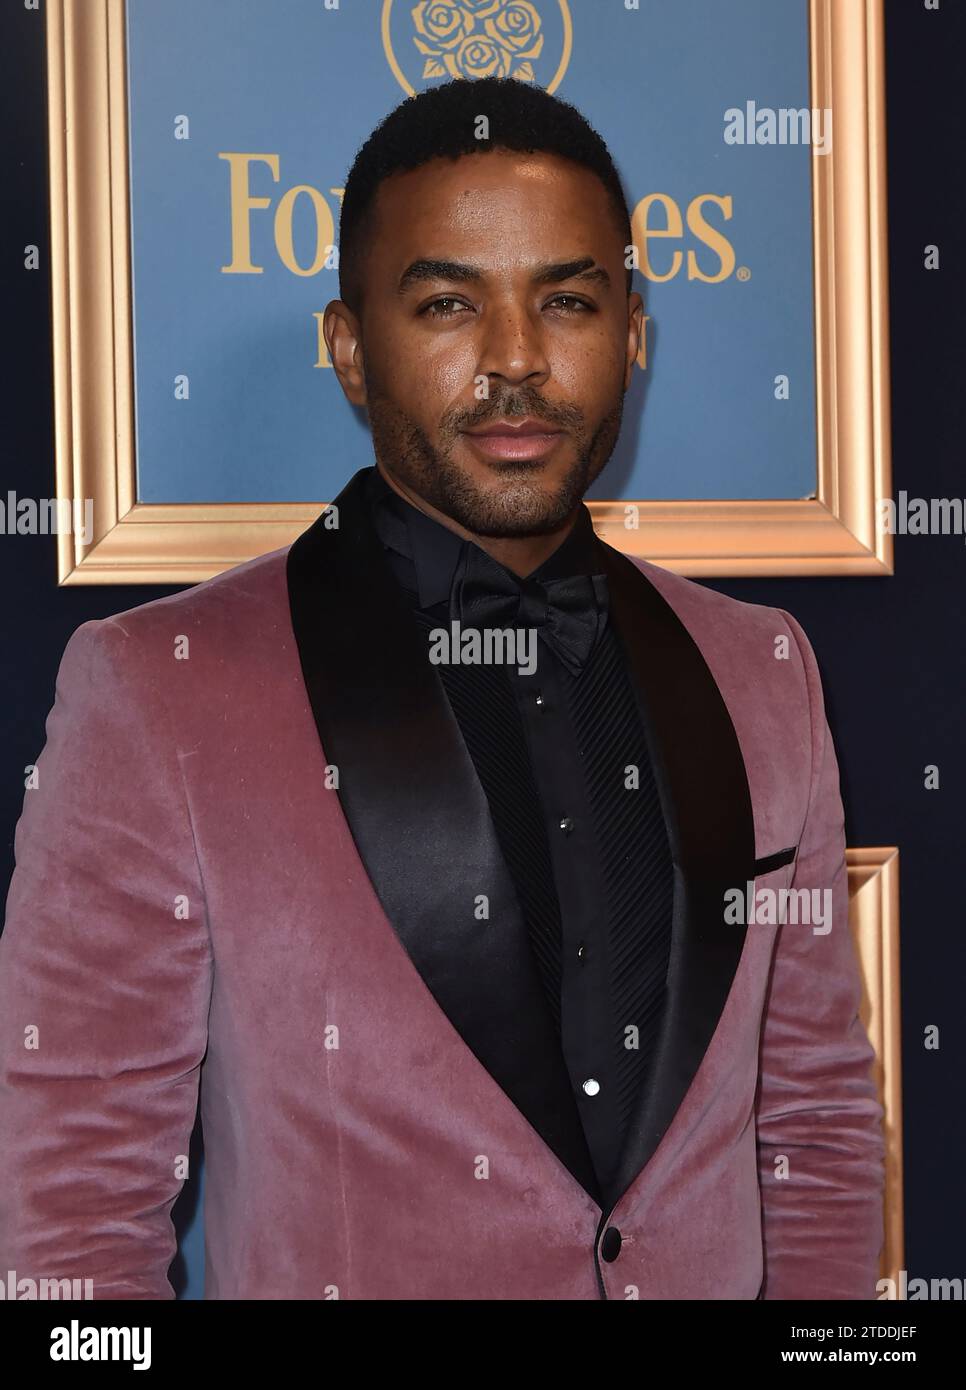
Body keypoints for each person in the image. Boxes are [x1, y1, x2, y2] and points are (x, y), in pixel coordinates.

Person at [0, 77, 884, 1300]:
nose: (516, 360)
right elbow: (74, 1213)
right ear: (350, 347)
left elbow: (818, 1122)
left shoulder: (761, 669)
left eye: (566, 299)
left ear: (633, 329)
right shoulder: (158, 693)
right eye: (448, 303)